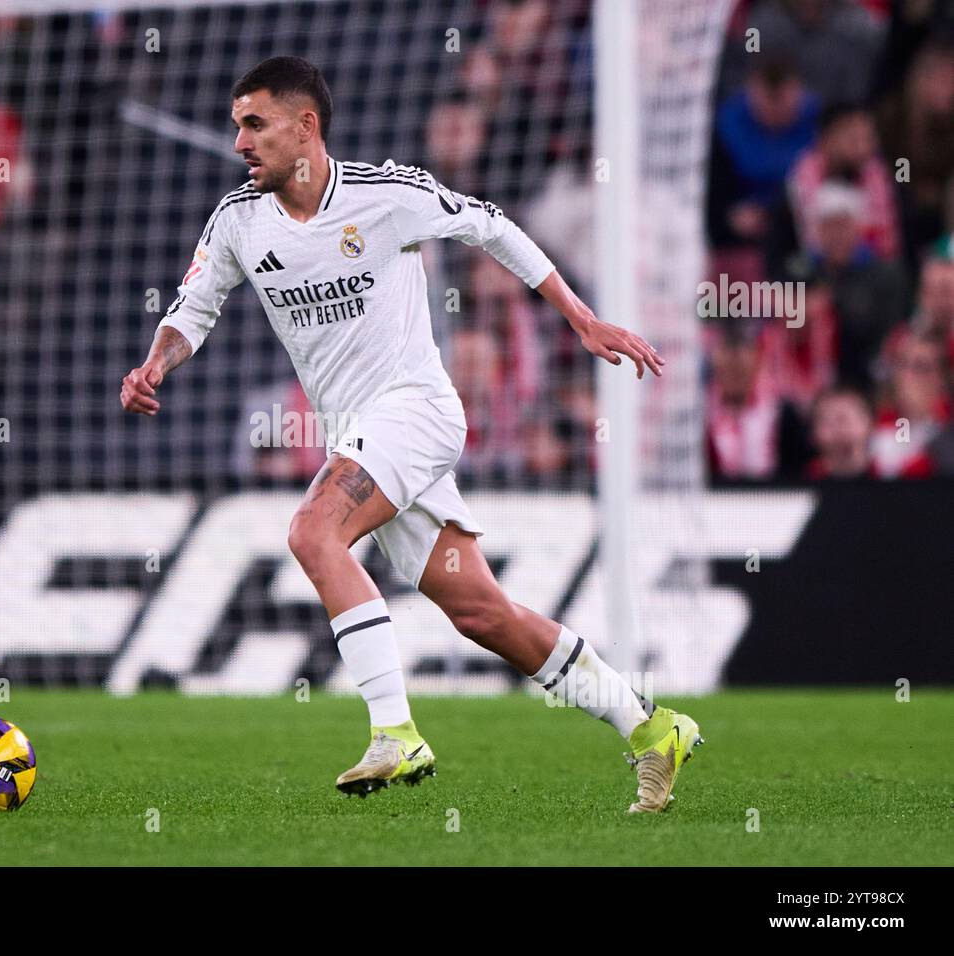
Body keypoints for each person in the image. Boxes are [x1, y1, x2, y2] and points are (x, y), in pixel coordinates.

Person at [119, 57, 702, 813]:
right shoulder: (238, 220)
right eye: (237, 125)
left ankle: (395, 731)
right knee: (483, 614)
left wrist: (581, 317)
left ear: (307, 127)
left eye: (255, 123)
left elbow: (492, 226)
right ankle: (653, 728)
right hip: (359, 437)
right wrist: (155, 361)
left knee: (312, 532)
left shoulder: (387, 194)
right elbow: (194, 307)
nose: (240, 142)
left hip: (415, 412)